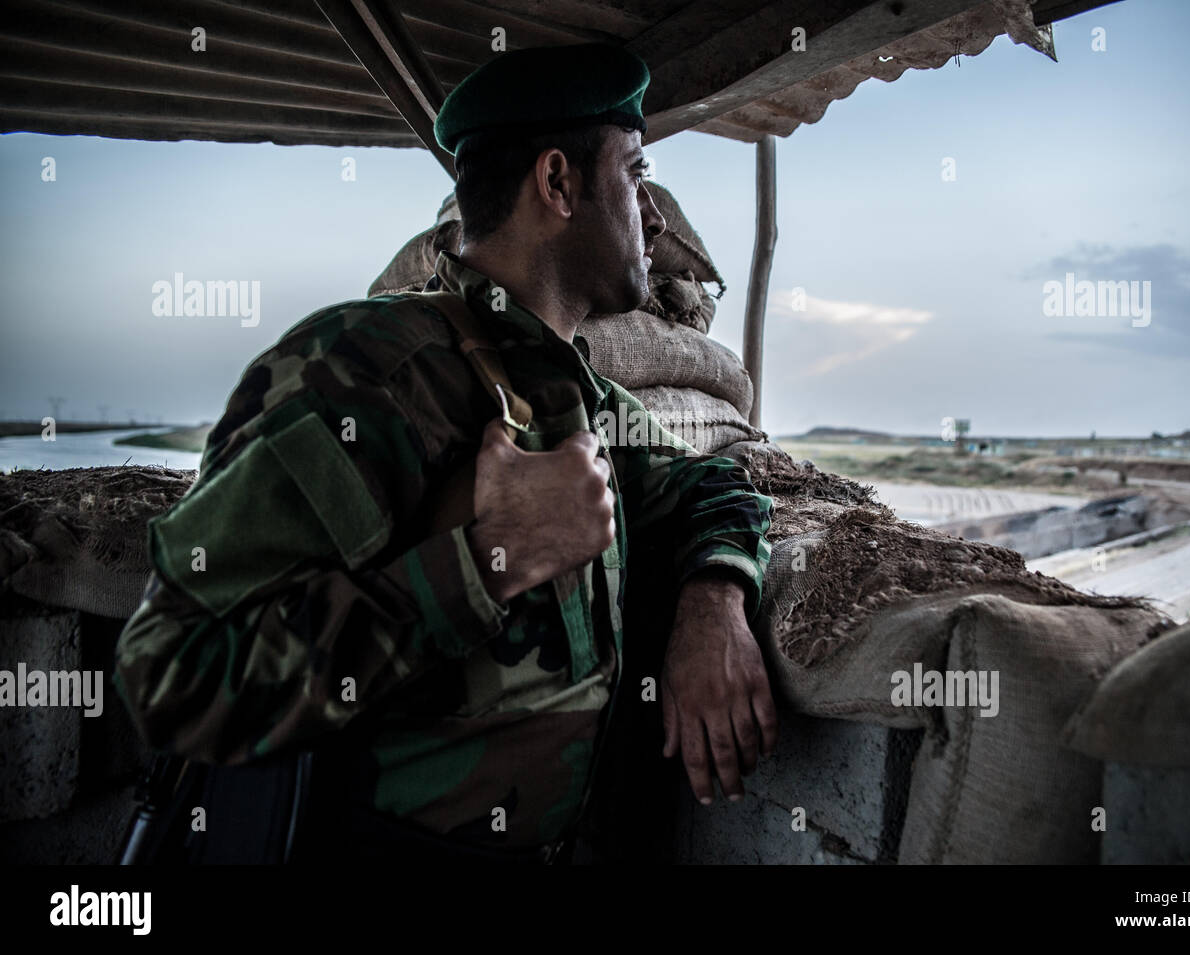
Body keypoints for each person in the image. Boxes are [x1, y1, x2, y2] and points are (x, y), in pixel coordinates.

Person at [113, 42, 776, 864]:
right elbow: (172, 674)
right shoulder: (372, 371)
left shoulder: (579, 397)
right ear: (559, 183)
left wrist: (713, 603)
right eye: (636, 176)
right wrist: (484, 563)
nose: (656, 219)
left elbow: (713, 484)